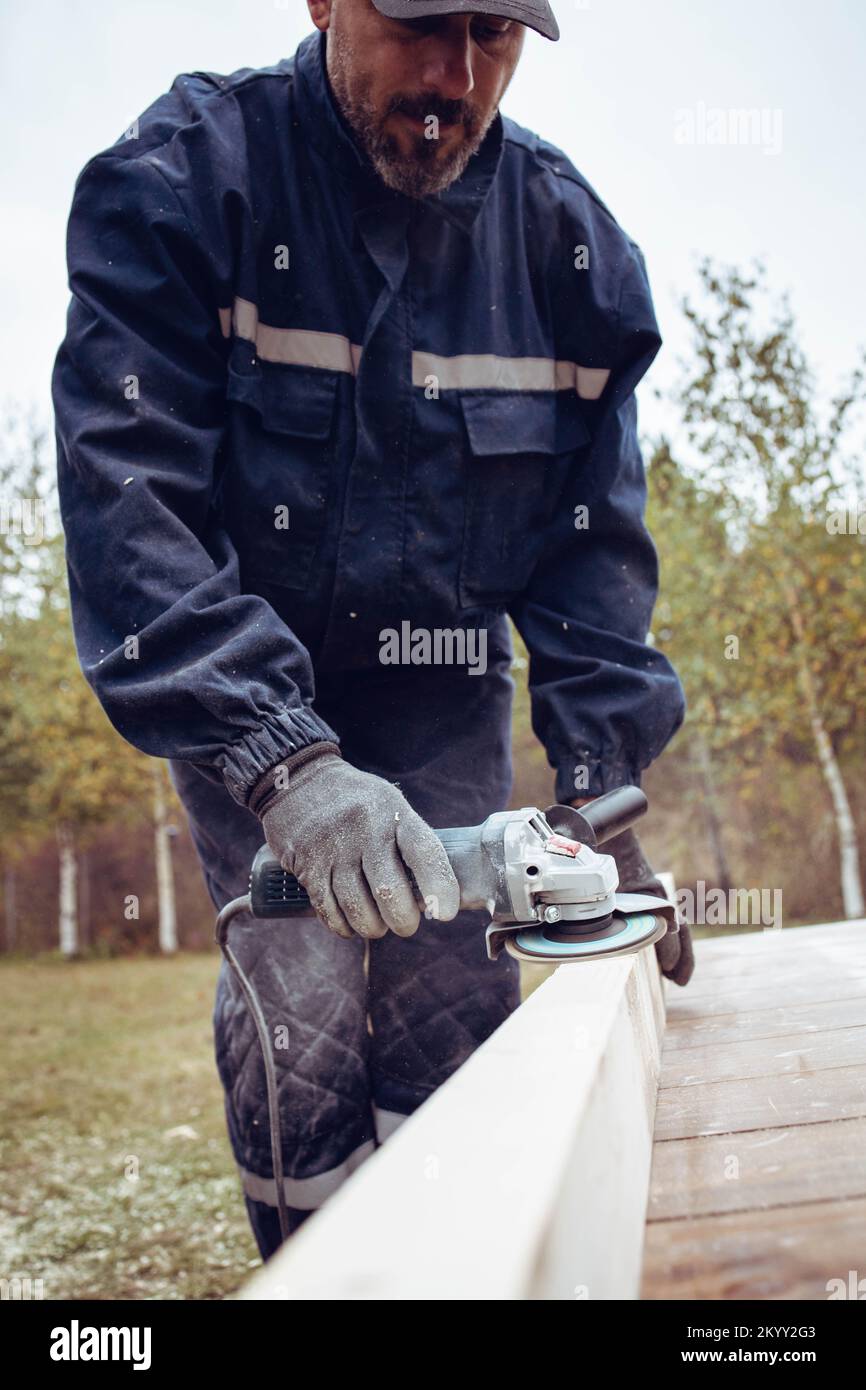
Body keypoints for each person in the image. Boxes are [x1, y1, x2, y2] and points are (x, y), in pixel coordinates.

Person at [52, 0, 692, 1260]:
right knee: (300, 997)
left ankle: (455, 1273)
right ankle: (323, 1271)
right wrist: (284, 765)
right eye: (419, 25)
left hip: (445, 678)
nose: (455, 75)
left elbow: (589, 559)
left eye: (494, 36)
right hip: (252, 691)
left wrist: (597, 797)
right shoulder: (183, 185)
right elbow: (134, 506)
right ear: (322, 2)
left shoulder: (567, 250)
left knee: (454, 992)